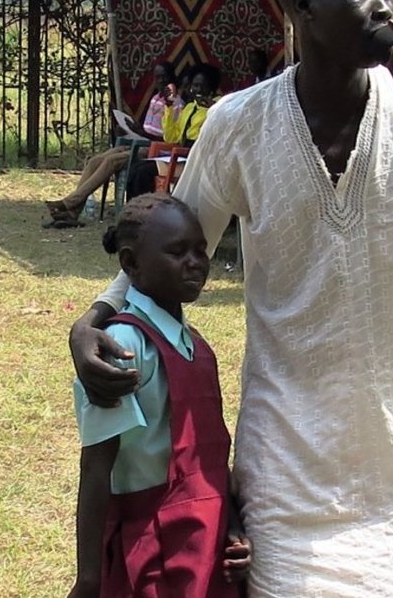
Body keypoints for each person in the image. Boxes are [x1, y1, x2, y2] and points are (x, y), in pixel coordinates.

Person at [67, 0, 393, 595]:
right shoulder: (239, 123)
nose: (383, 7)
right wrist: (92, 321)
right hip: (287, 467)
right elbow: (168, 248)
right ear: (302, 8)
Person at [68, 194, 251, 598]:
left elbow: (210, 457)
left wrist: (233, 526)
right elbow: (96, 468)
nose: (196, 263)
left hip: (207, 541)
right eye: (177, 252)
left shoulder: (195, 344)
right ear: (130, 263)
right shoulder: (121, 345)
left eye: (201, 250)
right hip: (151, 548)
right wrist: (89, 579)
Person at [44, 62, 182, 227]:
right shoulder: (155, 99)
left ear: (173, 79)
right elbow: (149, 128)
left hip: (154, 149)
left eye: (164, 78)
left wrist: (142, 131)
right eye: (157, 78)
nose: (160, 82)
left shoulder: (176, 105)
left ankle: (69, 203)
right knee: (95, 161)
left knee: (112, 161)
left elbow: (169, 138)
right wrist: (133, 129)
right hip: (140, 140)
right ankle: (73, 212)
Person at [125, 64, 223, 200]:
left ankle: (144, 214)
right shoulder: (189, 107)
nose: (198, 90)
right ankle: (132, 214)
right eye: (195, 86)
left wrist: (212, 108)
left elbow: (220, 131)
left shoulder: (220, 107)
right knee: (135, 169)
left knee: (143, 173)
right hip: (181, 157)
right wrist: (169, 108)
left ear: (212, 88)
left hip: (198, 161)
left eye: (203, 86)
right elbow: (171, 138)